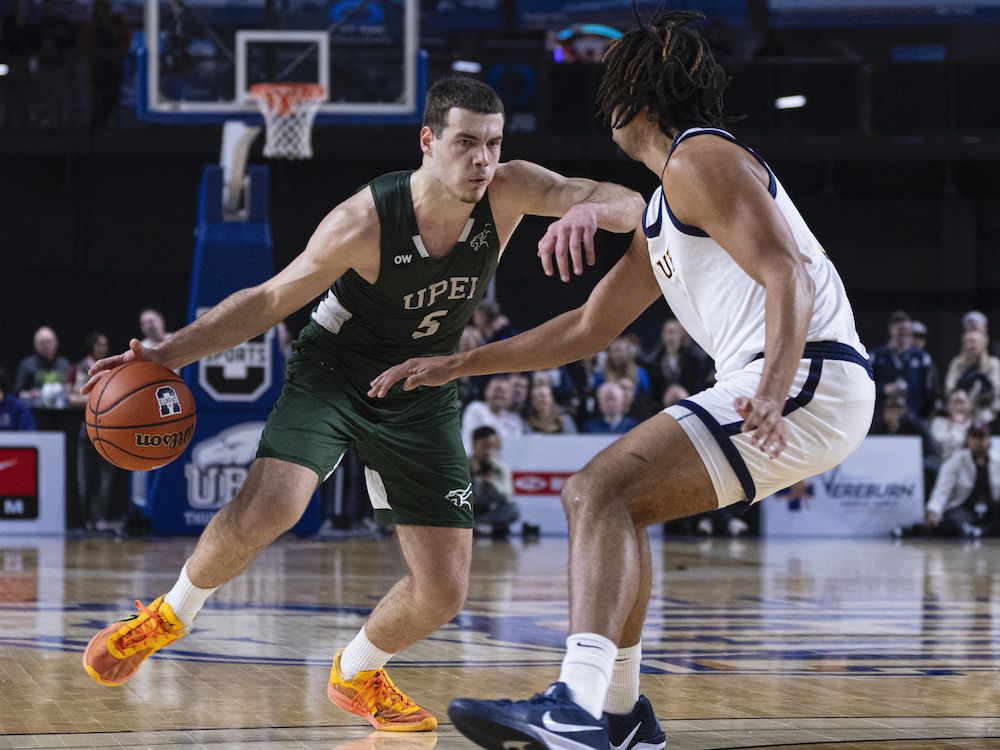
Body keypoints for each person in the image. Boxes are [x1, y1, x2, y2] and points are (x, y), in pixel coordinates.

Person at [368, 13, 874, 749]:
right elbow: (586, 330)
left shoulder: (702, 157)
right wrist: (457, 363)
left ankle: (574, 706)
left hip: (807, 374)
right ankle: (620, 716)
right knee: (617, 509)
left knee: (593, 490)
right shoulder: (666, 205)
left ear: (628, 99)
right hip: (797, 381)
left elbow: (785, 271)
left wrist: (772, 387)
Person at [79, 76, 644, 732]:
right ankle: (170, 613)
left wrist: (587, 212)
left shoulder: (511, 188)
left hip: (422, 386)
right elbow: (267, 300)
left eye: (493, 143)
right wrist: (165, 353)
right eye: (466, 142)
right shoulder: (366, 220)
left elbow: (626, 199)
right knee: (275, 506)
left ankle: (358, 670)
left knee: (444, 589)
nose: (482, 159)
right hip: (335, 370)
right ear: (428, 142)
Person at [924, 421, 1000, 537]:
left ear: (988, 439)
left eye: (981, 437)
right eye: (974, 437)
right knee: (952, 524)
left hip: (991, 510)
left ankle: (980, 531)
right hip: (964, 507)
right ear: (968, 440)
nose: (978, 441)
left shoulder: (997, 461)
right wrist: (933, 511)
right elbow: (942, 490)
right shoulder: (956, 460)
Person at [869, 310, 936, 419]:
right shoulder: (876, 356)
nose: (904, 335)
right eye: (900, 330)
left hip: (913, 418)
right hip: (880, 419)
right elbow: (865, 386)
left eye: (907, 331)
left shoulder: (921, 358)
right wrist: (883, 389)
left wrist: (923, 417)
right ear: (891, 330)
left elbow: (930, 392)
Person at [468, 425, 520, 538]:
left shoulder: (500, 468)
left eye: (492, 446)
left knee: (513, 509)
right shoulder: (463, 465)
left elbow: (506, 498)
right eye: (484, 446)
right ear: (474, 446)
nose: (489, 451)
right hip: (468, 510)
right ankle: (478, 527)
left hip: (488, 511)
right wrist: (475, 475)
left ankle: (475, 526)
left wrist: (492, 484)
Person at [944, 329, 1000, 422]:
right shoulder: (957, 364)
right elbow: (949, 389)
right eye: (968, 342)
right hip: (962, 413)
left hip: (987, 413)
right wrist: (961, 386)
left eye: (974, 342)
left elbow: (997, 392)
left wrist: (986, 387)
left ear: (983, 343)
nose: (971, 345)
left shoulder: (993, 364)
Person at [461, 376, 527, 452]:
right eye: (496, 390)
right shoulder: (476, 409)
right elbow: (469, 443)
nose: (499, 395)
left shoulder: (515, 420)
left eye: (503, 391)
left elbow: (517, 448)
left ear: (509, 395)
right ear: (486, 391)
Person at [13, 326, 70, 396]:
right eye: (42, 343)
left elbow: (71, 389)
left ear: (56, 343)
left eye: (49, 342)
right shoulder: (27, 365)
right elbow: (17, 391)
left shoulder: (64, 364)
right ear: (35, 345)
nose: (46, 346)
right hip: (34, 406)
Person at [930, 389, 973, 462]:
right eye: (955, 402)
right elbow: (934, 446)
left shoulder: (974, 425)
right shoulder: (938, 423)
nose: (959, 407)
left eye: (962, 402)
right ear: (948, 405)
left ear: (969, 404)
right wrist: (955, 425)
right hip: (941, 465)